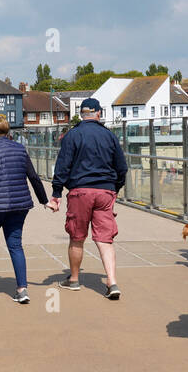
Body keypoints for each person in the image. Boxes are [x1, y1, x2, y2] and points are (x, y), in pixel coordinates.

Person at [48, 97, 128, 299]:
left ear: (82, 114)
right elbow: (121, 167)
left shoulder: (72, 135)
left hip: (80, 191)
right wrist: (114, 188)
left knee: (77, 237)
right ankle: (112, 281)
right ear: (98, 113)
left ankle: (74, 279)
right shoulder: (109, 136)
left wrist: (57, 193)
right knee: (105, 239)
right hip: (105, 191)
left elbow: (63, 166)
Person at [0, 114, 48, 303]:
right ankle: (22, 289)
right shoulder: (20, 149)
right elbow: (34, 177)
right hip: (18, 206)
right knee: (15, 245)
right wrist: (45, 200)